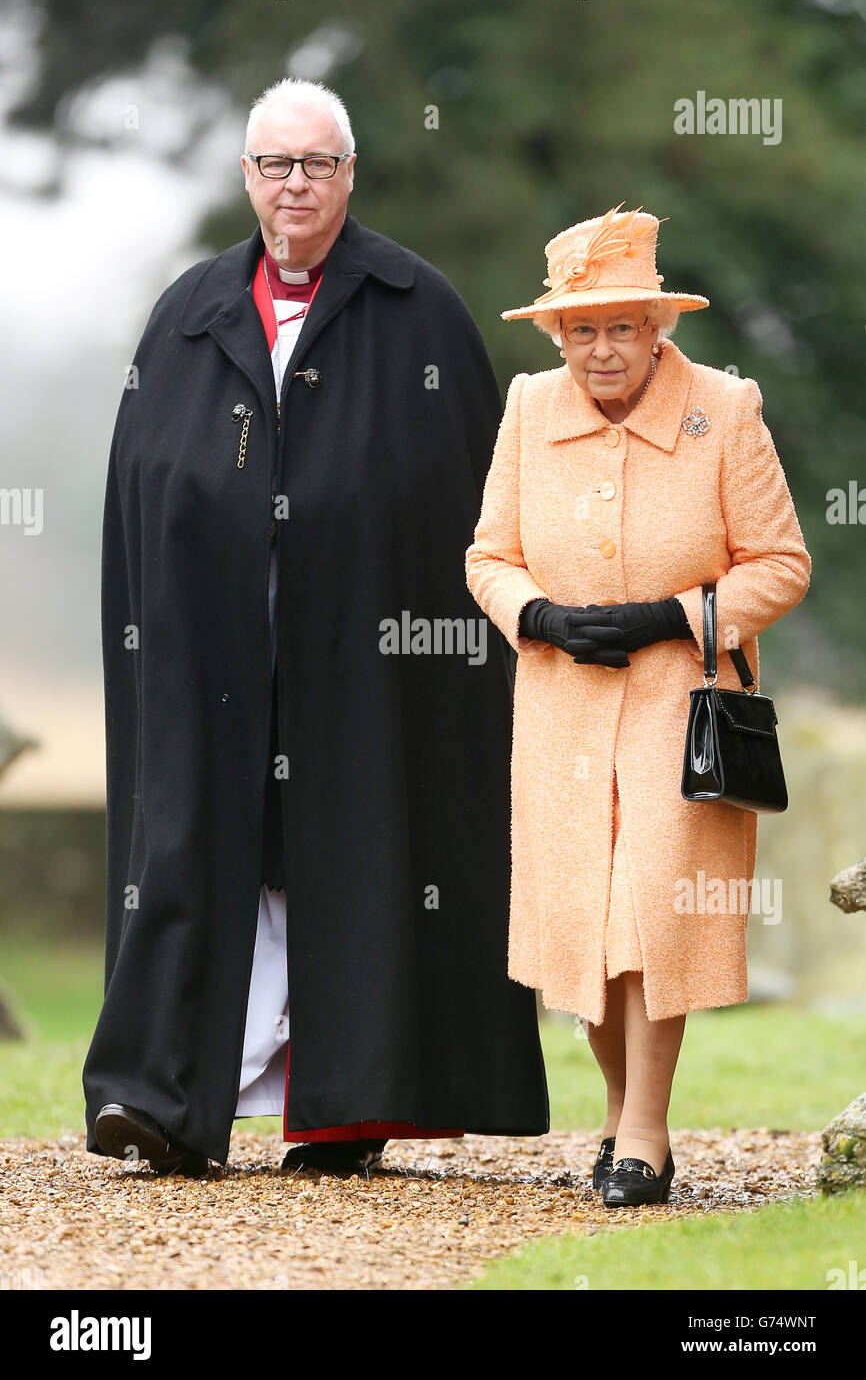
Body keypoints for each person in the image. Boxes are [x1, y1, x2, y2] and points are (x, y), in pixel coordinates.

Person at [84, 77, 548, 1178]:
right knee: (197, 841)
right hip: (214, 653)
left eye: (317, 164)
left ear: (349, 173)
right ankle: (162, 1099)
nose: (295, 185)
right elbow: (147, 488)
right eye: (275, 165)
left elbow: (467, 503)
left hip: (366, 657)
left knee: (360, 845)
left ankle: (349, 1104)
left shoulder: (414, 304)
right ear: (247, 177)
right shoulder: (189, 312)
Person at [465, 203, 810, 1206]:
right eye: (581, 329)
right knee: (584, 923)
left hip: (682, 705)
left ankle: (644, 1132)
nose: (600, 347)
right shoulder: (528, 408)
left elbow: (780, 564)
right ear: (555, 334)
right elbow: (487, 556)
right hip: (562, 705)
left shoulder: (723, 409)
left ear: (657, 326)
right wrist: (538, 616)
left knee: (646, 914)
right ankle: (619, 1112)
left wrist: (674, 614)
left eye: (620, 325)